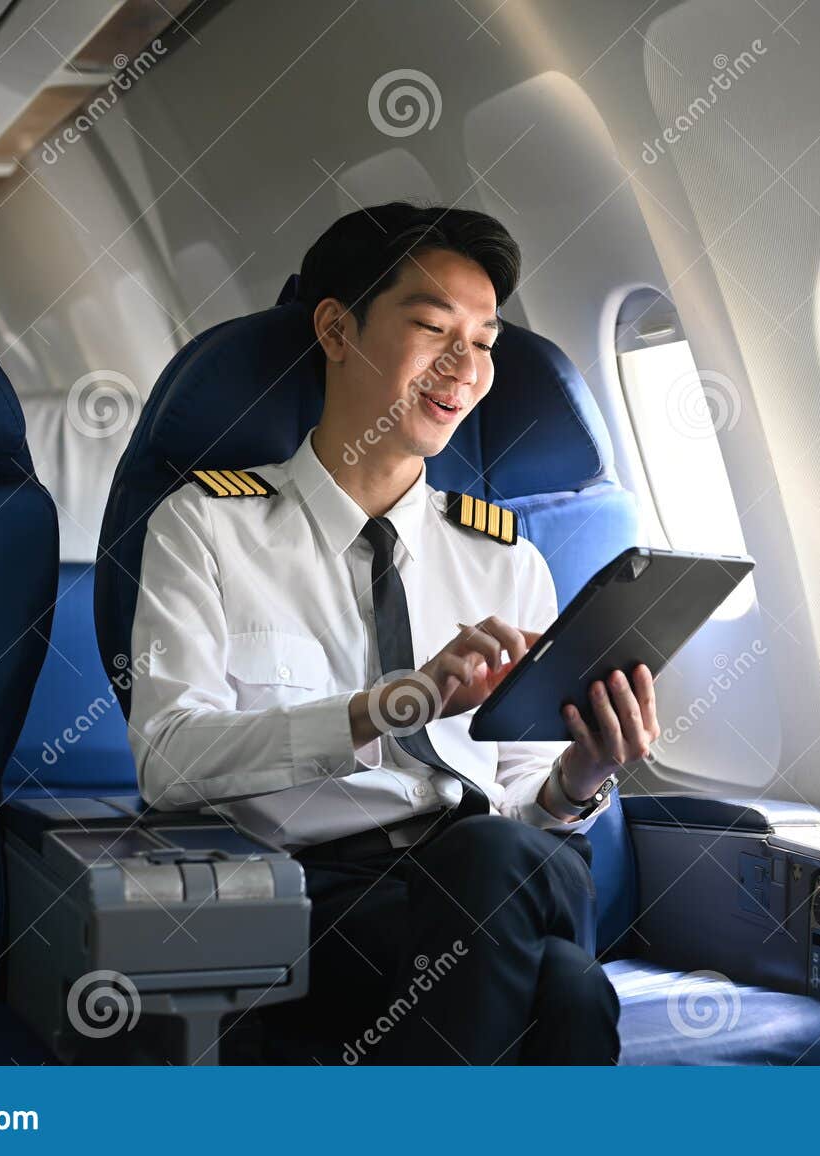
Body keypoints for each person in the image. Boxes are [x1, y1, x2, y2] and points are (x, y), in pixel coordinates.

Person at [126, 202, 660, 1064]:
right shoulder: (207, 526)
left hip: (496, 870)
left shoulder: (505, 557)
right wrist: (390, 706)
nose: (465, 367)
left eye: (484, 341)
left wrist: (584, 773)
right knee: (568, 987)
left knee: (500, 858)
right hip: (321, 897)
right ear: (337, 330)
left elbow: (527, 802)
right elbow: (169, 758)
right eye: (433, 328)